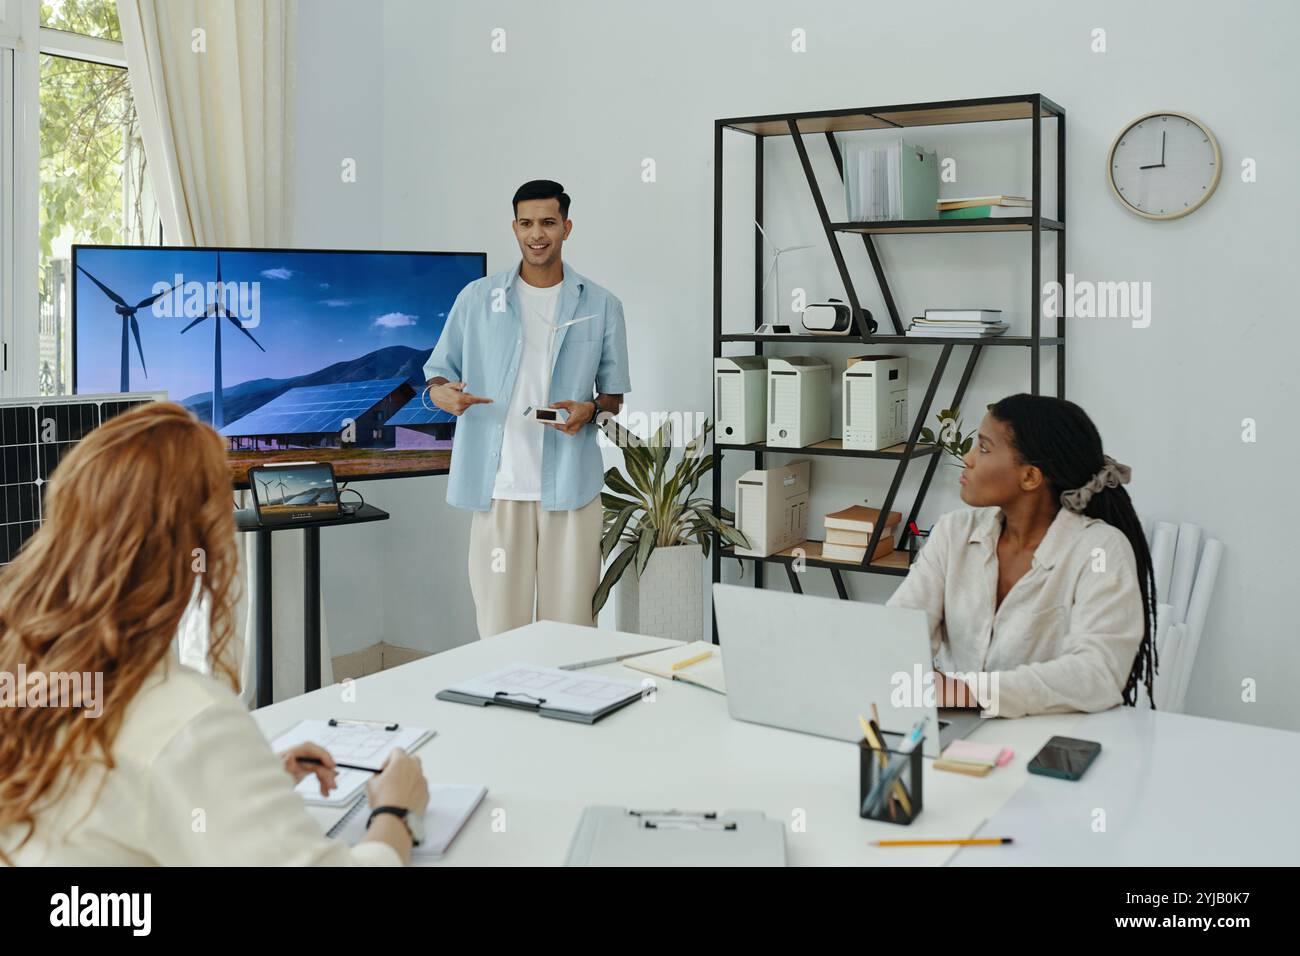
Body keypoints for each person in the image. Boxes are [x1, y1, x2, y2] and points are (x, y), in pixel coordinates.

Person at [0, 402, 429, 865]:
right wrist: (395, 808)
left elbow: (119, 811)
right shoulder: (187, 717)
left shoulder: (26, 663)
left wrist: (245, 786)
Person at [424, 179, 631, 638]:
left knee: (572, 629)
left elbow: (613, 399)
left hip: (572, 493)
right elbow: (437, 373)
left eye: (548, 223)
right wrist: (442, 394)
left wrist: (590, 409)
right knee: (499, 630)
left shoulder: (601, 305)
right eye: (527, 223)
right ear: (514, 228)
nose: (537, 234)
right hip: (498, 489)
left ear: (566, 227)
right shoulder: (476, 300)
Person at [887, 394, 1157, 718]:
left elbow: (1097, 673)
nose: (968, 459)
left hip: (1052, 742)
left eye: (984, 448)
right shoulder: (953, 533)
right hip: (957, 733)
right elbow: (897, 636)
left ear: (1030, 477)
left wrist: (969, 692)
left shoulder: (1100, 549)